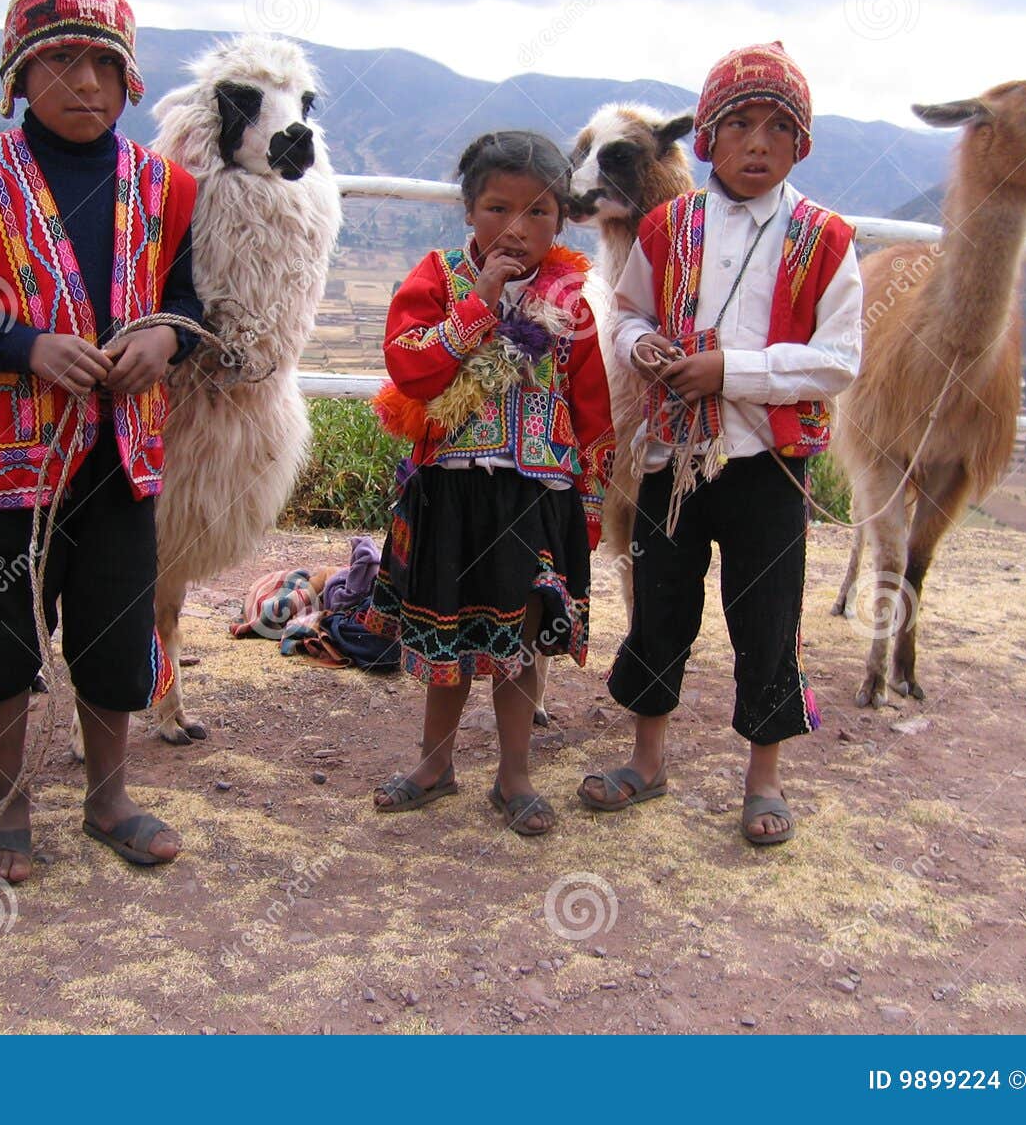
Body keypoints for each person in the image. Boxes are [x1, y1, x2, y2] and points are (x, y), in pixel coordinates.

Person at [0, 0, 201, 882]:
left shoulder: (164, 188)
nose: (85, 84)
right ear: (17, 75)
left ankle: (108, 798)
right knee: (3, 632)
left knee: (117, 625)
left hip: (119, 460)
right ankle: (6, 806)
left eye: (104, 65)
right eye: (60, 62)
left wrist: (164, 337)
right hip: (9, 464)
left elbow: (188, 309)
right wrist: (27, 345)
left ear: (130, 78)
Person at [580, 41, 863, 844]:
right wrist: (641, 347)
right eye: (739, 123)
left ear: (800, 143)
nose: (758, 143)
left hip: (769, 468)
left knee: (765, 615)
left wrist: (729, 371)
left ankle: (764, 780)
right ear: (706, 137)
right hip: (674, 461)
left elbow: (840, 359)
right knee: (660, 604)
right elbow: (629, 310)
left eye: (779, 127)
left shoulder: (827, 240)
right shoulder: (669, 228)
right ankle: (647, 759)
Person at [366, 130, 614, 836]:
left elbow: (591, 409)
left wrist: (587, 506)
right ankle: (434, 763)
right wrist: (478, 303)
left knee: (521, 639)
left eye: (539, 212)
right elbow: (412, 368)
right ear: (468, 210)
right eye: (498, 208)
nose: (517, 228)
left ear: (562, 219)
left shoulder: (571, 300)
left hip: (536, 494)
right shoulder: (436, 278)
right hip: (450, 490)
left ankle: (515, 776)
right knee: (447, 633)